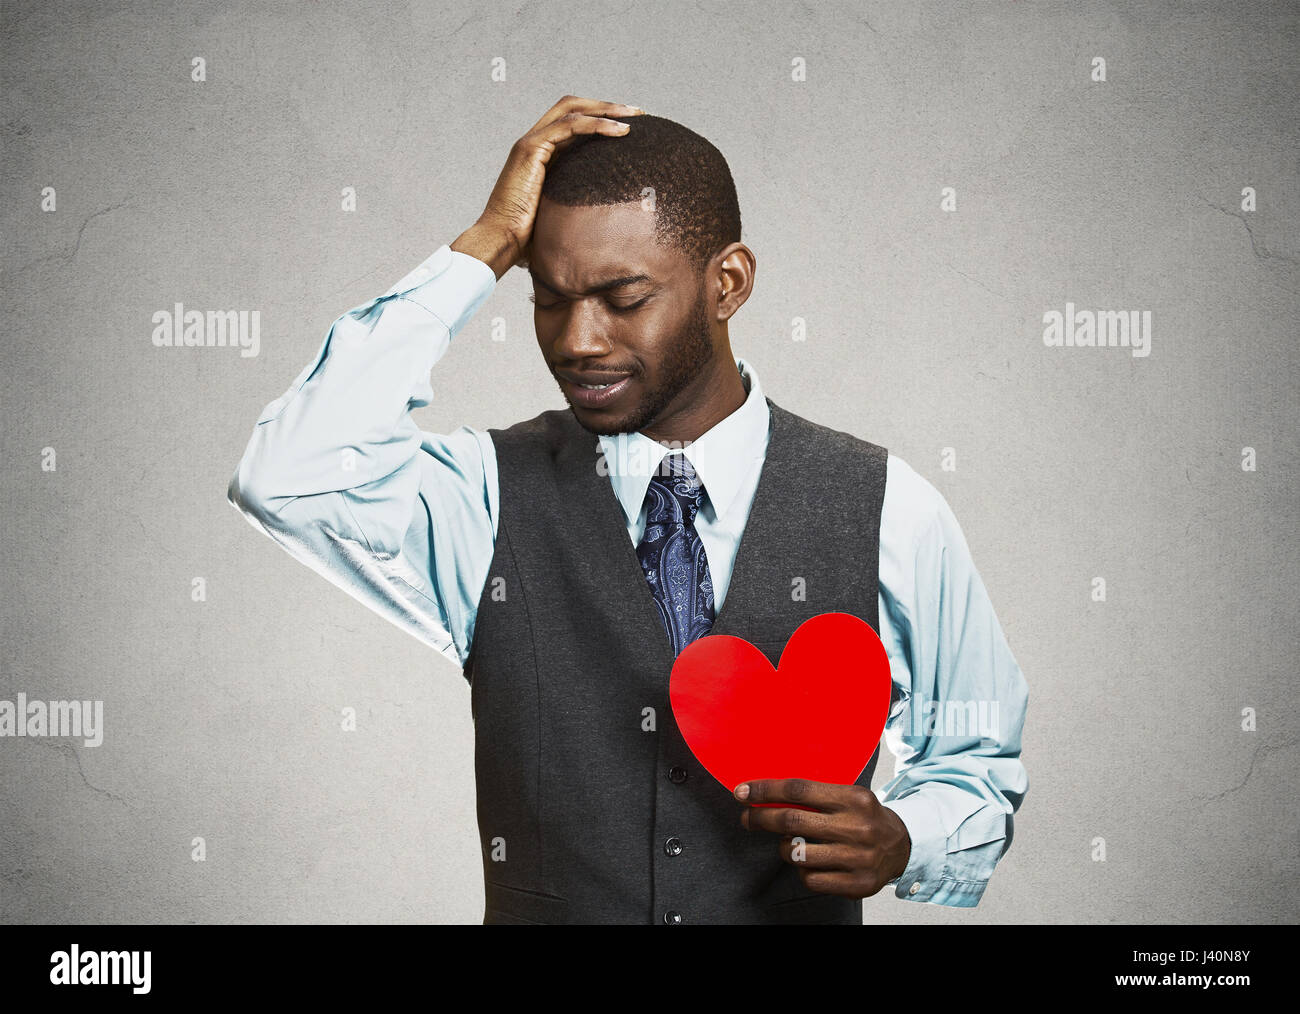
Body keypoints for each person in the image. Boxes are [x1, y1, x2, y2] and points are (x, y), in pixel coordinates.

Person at [228, 96, 1029, 925]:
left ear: (729, 283)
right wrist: (485, 247)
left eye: (622, 296)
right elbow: (287, 474)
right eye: (548, 298)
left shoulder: (888, 507)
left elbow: (977, 765)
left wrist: (907, 836)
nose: (577, 340)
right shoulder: (483, 495)